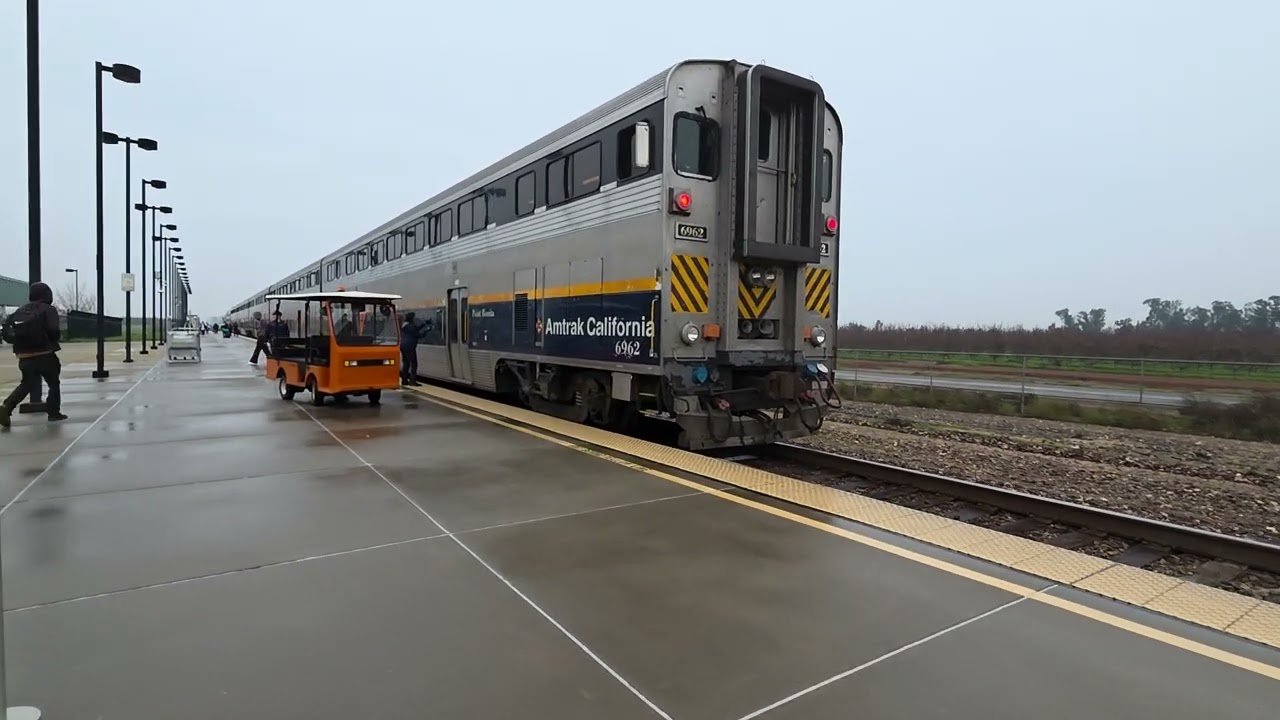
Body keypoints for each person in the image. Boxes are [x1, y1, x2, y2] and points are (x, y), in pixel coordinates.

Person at [0, 282, 67, 428]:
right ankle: (54, 413)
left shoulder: (19, 311)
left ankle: (7, 406)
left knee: (27, 384)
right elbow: (53, 330)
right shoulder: (48, 310)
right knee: (54, 383)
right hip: (45, 353)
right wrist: (53, 340)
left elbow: (8, 333)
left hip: (24, 356)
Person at [399, 312, 424, 385]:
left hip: (403, 345)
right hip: (410, 346)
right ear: (411, 318)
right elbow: (419, 335)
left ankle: (404, 380)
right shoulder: (411, 326)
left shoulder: (405, 326)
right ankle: (412, 381)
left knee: (406, 363)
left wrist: (424, 324)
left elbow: (416, 328)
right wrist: (427, 331)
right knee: (414, 364)